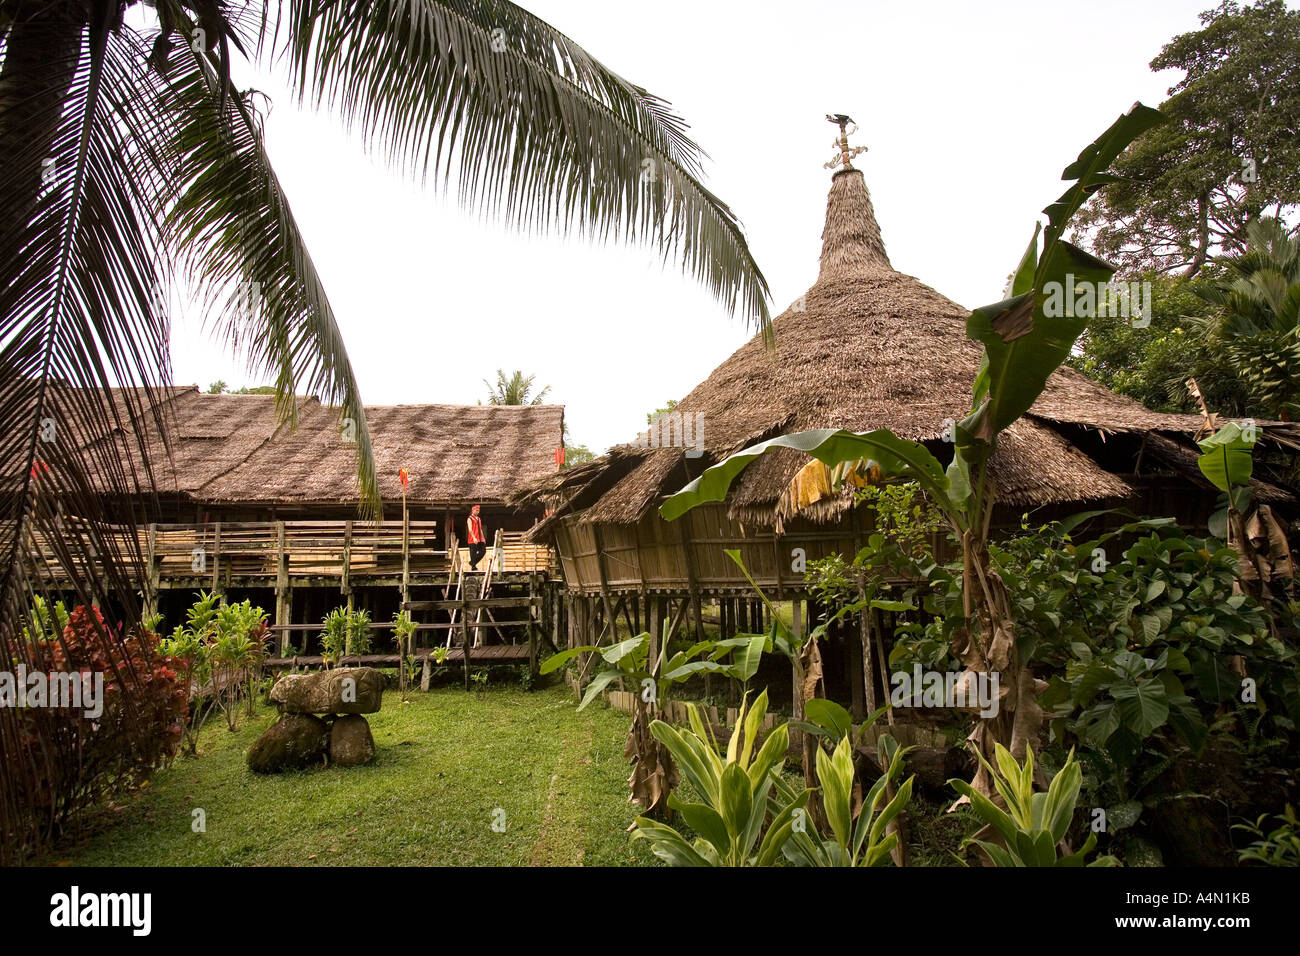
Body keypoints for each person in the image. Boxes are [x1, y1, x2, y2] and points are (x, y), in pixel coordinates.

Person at [466, 504, 487, 571]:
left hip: (480, 538)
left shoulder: (479, 519)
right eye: (476, 510)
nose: (478, 512)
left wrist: (483, 538)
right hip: (473, 539)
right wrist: (474, 537)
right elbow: (470, 529)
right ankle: (473, 566)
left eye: (478, 510)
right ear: (473, 510)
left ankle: (472, 562)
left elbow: (480, 529)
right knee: (473, 552)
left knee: (483, 551)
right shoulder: (470, 518)